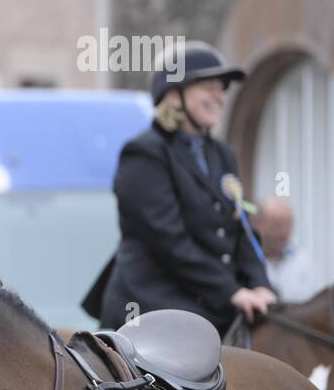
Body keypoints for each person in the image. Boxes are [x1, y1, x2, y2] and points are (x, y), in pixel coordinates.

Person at [92, 41, 275, 336]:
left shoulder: (221, 154)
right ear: (175, 95)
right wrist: (231, 291)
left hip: (213, 305)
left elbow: (241, 229)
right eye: (209, 87)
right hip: (153, 312)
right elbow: (169, 240)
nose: (220, 96)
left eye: (222, 88)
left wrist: (260, 284)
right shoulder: (144, 154)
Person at [253, 196, 320, 305]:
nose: (283, 232)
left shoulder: (303, 261)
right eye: (276, 225)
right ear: (257, 224)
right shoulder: (245, 262)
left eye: (288, 224)